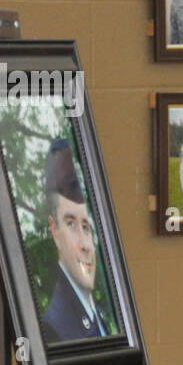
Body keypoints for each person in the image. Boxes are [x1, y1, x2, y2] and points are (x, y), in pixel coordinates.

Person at [41, 138, 111, 341]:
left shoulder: (95, 312)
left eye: (87, 227)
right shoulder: (54, 328)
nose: (86, 246)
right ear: (54, 231)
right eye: (71, 224)